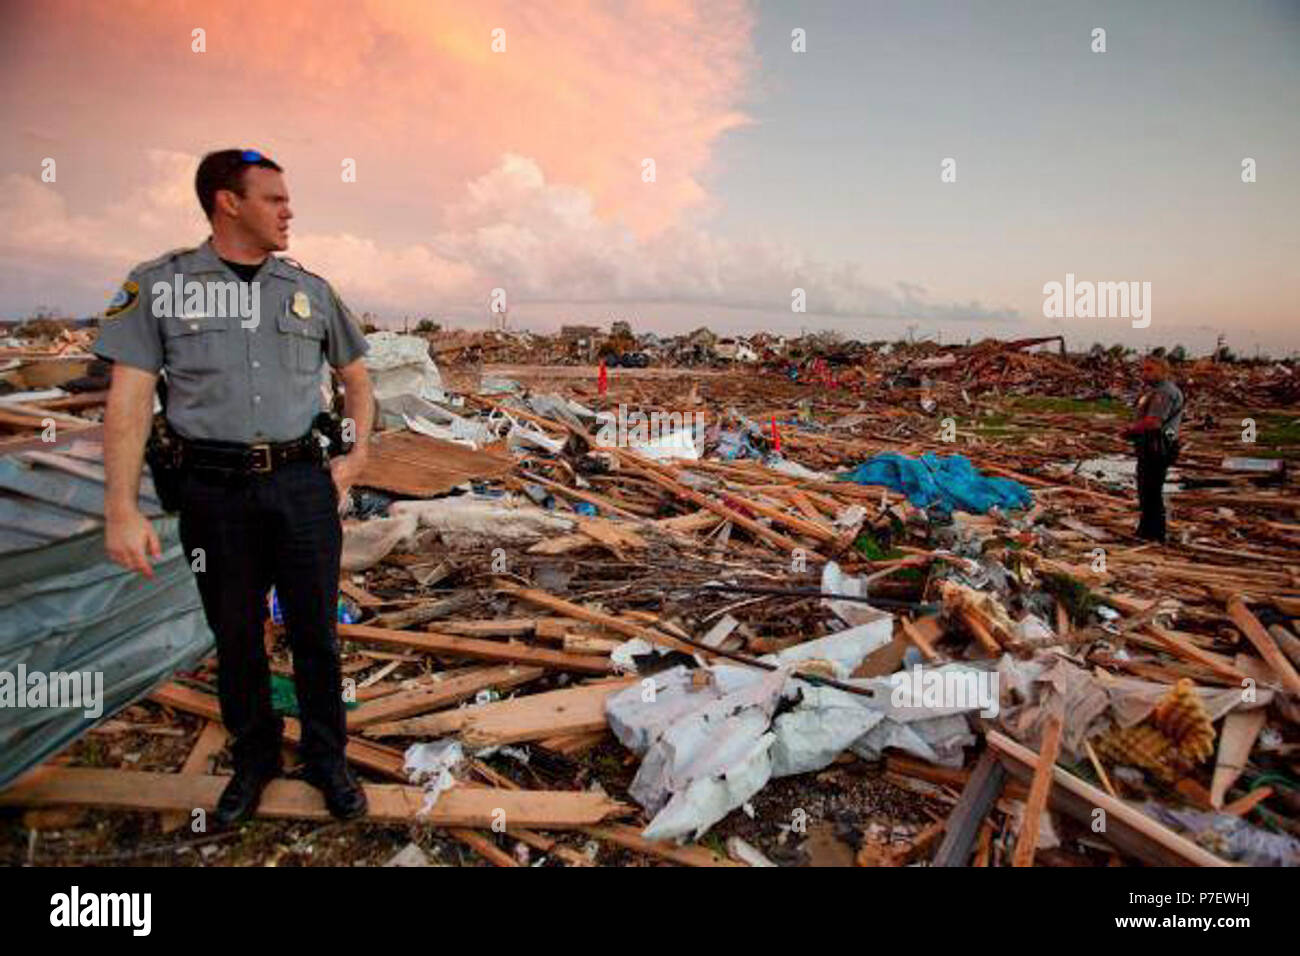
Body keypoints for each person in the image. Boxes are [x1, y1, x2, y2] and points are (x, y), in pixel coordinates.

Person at [95, 149, 375, 824]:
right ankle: (253, 764)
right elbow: (128, 402)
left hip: (302, 487)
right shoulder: (159, 285)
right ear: (228, 202)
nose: (289, 211)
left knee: (315, 634)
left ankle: (326, 759)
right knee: (238, 635)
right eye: (274, 199)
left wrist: (358, 455)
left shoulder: (308, 290)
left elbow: (358, 379)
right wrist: (120, 510)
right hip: (213, 493)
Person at [1121, 356, 1184, 543]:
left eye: (1149, 370)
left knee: (1151, 490)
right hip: (1152, 445)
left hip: (1157, 445)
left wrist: (1130, 430)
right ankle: (1146, 530)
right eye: (1143, 370)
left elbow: (1153, 422)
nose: (1144, 374)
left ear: (1163, 371)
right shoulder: (1155, 391)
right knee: (1147, 490)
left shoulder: (1164, 393)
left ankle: (1154, 534)